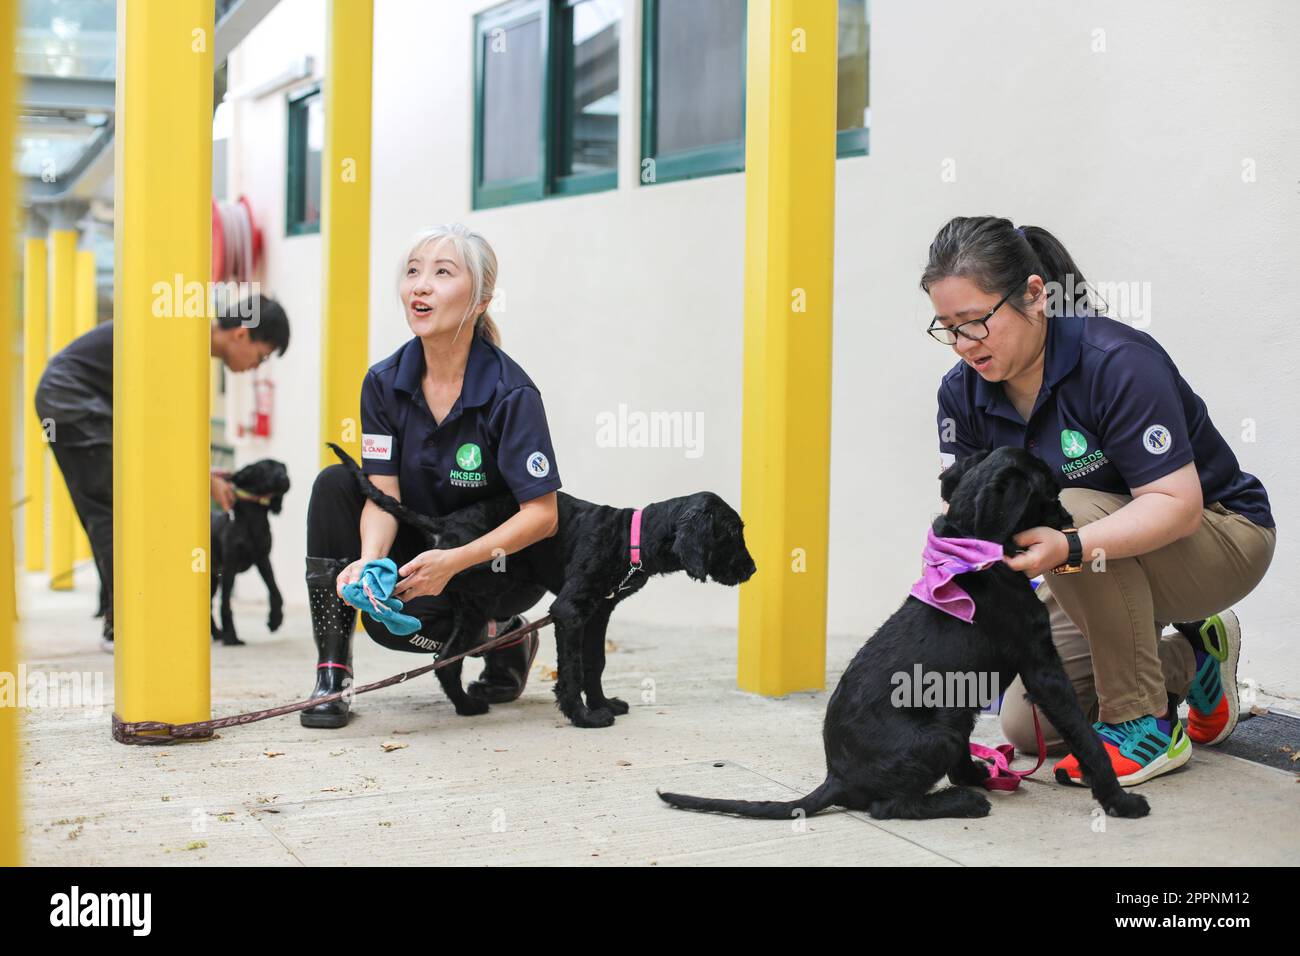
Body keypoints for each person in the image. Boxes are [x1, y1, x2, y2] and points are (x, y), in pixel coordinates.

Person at [923, 216, 1276, 786]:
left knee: (1069, 510)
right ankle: (1197, 656)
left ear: (1035, 295)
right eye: (948, 329)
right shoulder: (959, 394)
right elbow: (964, 518)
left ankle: (1143, 723)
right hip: (1093, 563)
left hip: (1219, 537)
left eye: (977, 321)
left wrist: (1067, 545)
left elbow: (1178, 503)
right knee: (1031, 725)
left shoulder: (1116, 361)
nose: (965, 344)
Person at [300, 223, 562, 729]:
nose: (420, 286)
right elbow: (382, 492)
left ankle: (507, 635)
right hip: (423, 543)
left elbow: (543, 516)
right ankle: (333, 674)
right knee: (335, 485)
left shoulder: (511, 393)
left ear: (481, 299)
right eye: (413, 272)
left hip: (497, 564)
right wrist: (369, 562)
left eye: (442, 273)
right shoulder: (383, 382)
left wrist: (453, 562)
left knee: (404, 629)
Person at [33, 294, 291, 651]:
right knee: (112, 510)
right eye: (261, 356)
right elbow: (167, 425)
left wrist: (203, 476)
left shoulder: (189, 338)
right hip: (73, 401)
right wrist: (204, 479)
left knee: (115, 509)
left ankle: (124, 617)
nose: (256, 367)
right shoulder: (183, 339)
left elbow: (160, 424)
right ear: (242, 334)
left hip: (79, 404)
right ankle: (123, 626)